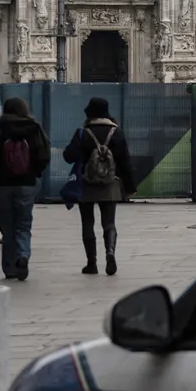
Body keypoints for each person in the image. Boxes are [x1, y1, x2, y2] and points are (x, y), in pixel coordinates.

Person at [62, 97, 135, 275]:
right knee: (109, 222)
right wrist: (130, 186)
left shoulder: (82, 133)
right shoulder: (116, 132)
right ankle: (110, 252)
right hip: (110, 182)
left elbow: (68, 156)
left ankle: (91, 263)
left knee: (87, 223)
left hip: (86, 183)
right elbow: (125, 161)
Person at [0, 97, 51, 281]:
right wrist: (35, 171)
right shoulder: (34, 130)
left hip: (4, 184)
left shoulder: (0, 132)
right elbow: (44, 154)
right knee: (23, 223)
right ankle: (23, 255)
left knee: (8, 226)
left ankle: (9, 268)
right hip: (27, 183)